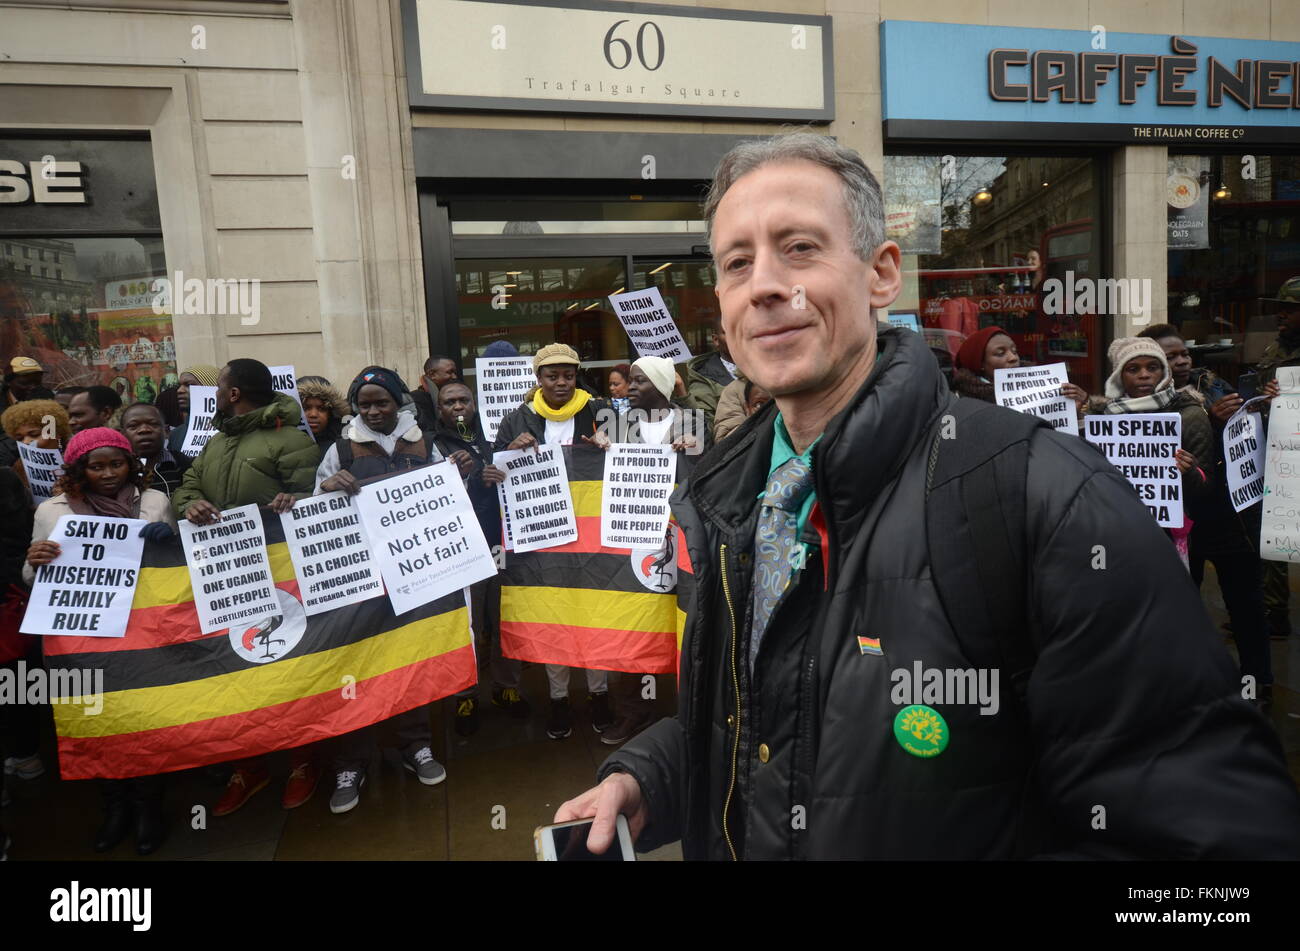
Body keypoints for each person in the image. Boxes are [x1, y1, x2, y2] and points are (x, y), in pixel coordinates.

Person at [556, 132, 1300, 860]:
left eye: (800, 247)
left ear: (882, 274)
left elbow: (1214, 841)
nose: (765, 284)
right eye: (737, 262)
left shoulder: (1046, 494)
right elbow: (770, 704)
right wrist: (648, 775)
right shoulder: (722, 497)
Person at [172, 358, 323, 816]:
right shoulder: (216, 441)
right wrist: (192, 503)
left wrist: (293, 502)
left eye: (220, 385)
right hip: (225, 575)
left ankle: (303, 762)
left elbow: (316, 503)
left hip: (281, 579)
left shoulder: (292, 440)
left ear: (234, 393)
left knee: (288, 669)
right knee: (234, 673)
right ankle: (249, 766)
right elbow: (186, 486)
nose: (216, 393)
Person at [25, 427, 176, 855]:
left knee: (144, 720)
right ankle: (116, 807)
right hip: (81, 637)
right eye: (97, 466)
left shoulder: (154, 503)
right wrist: (35, 562)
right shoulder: (52, 512)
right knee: (97, 722)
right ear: (80, 469)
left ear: (131, 464)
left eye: (117, 464)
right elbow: (30, 576)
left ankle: (149, 808)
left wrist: (167, 546)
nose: (109, 473)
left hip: (143, 632)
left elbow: (176, 573)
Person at [313, 366, 455, 813]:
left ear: (399, 404)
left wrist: (462, 474)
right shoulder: (340, 448)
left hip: (414, 577)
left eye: (382, 402)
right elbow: (315, 512)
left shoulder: (425, 443)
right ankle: (351, 762)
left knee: (407, 661)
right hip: (360, 581)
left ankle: (416, 747)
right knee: (355, 665)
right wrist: (327, 488)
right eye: (365, 404)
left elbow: (449, 502)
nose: (373, 411)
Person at [1138, 323, 1277, 700]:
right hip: (1181, 526)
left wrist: (1263, 406)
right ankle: (1188, 683)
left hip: (1230, 519)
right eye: (1170, 356)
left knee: (1247, 607)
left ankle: (1257, 683)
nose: (1181, 361)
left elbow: (1245, 441)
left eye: (1183, 353)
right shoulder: (1138, 400)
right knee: (1180, 606)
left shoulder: (1214, 385)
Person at [493, 343, 614, 738]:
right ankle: (559, 699)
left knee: (596, 611)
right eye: (552, 376)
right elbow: (494, 472)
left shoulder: (600, 412)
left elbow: (630, 461)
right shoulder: (515, 420)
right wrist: (507, 454)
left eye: (568, 375)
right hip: (542, 537)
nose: (561, 383)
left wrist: (609, 447)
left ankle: (599, 694)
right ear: (538, 379)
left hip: (595, 535)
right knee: (554, 615)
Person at [595, 356, 705, 747]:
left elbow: (709, 479)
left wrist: (694, 453)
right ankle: (631, 714)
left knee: (683, 627)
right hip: (633, 545)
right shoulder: (617, 424)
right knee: (632, 626)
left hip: (681, 545)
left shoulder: (692, 422)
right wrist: (599, 450)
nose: (630, 386)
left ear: (660, 385)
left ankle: (685, 712)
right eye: (630, 379)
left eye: (639, 380)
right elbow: (599, 479)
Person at [430, 382, 528, 736]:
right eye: (449, 402)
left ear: (475, 404)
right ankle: (465, 694)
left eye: (463, 400)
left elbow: (515, 478)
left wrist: (502, 468)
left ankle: (506, 687)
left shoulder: (492, 439)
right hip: (460, 551)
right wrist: (465, 476)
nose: (457, 406)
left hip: (500, 543)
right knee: (467, 625)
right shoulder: (432, 445)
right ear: (439, 408)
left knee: (504, 618)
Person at [1085, 337, 1215, 565]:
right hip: (1117, 531)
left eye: (1152, 367)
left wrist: (1189, 472)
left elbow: (1205, 491)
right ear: (1119, 377)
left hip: (1172, 538)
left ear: (1164, 373)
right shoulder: (1101, 420)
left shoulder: (1191, 415)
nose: (1144, 375)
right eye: (1133, 369)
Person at [1253, 278, 1300, 640]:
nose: (1281, 313)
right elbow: (1258, 392)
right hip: (1282, 458)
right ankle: (1274, 612)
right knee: (1278, 536)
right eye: (1279, 306)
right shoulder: (1276, 348)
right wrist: (1266, 399)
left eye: (1290, 308)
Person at [951, 325, 1088, 418]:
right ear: (979, 363)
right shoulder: (960, 403)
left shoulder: (1042, 390)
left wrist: (1072, 410)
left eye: (1014, 351)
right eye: (1000, 353)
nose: (1013, 358)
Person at [120, 402, 190, 500]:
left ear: (166, 431)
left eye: (153, 424)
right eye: (134, 426)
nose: (144, 430)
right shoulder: (117, 471)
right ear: (122, 434)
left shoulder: (186, 465)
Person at [683, 315, 738, 432]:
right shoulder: (704, 376)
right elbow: (704, 426)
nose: (735, 336)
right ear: (716, 340)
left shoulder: (762, 367)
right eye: (728, 332)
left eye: (738, 330)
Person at [165, 365, 221, 457]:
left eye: (189, 385)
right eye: (179, 386)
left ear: (210, 387)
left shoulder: (229, 430)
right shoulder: (176, 434)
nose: (179, 390)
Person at [411, 353, 459, 434]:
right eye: (450, 372)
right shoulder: (416, 400)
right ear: (432, 374)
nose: (454, 377)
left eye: (454, 372)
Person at [297, 377, 347, 448]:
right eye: (306, 408)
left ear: (330, 413)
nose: (313, 414)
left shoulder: (343, 445)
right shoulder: (283, 443)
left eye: (321, 409)